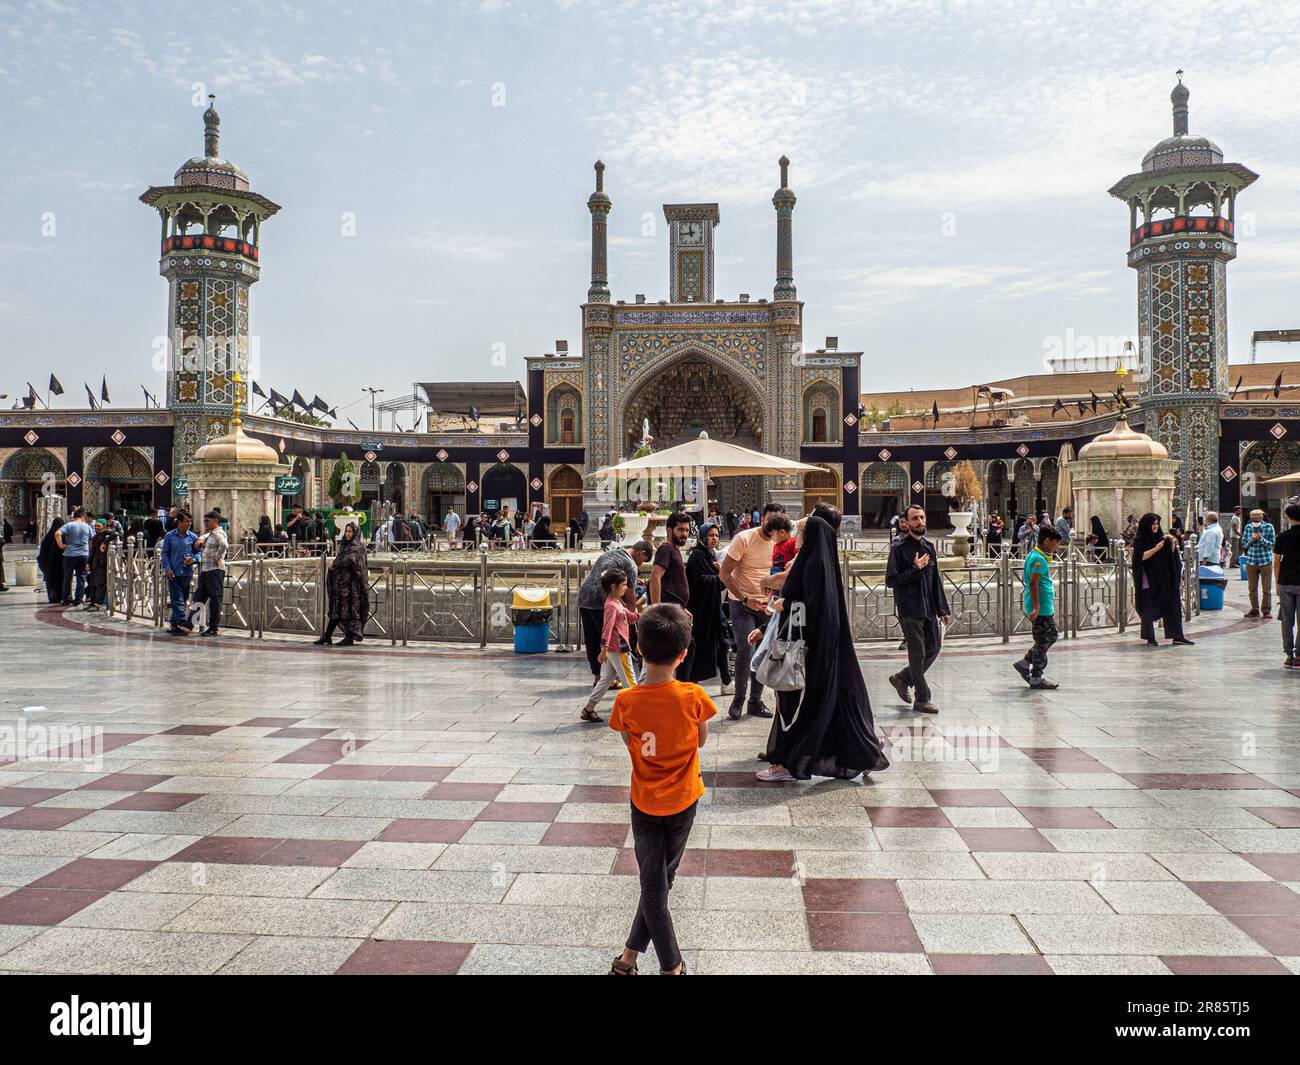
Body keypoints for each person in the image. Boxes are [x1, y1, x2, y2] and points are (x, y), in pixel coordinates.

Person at [607, 603, 715, 977]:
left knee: (656, 882)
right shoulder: (694, 697)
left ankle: (630, 956)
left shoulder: (625, 701)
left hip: (645, 804)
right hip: (684, 801)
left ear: (638, 648)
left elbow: (627, 740)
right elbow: (701, 741)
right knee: (660, 881)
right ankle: (672, 966)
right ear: (683, 654)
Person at [756, 507, 890, 781]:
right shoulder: (815, 561)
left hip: (806, 651)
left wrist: (784, 603)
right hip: (814, 648)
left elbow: (812, 606)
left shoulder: (814, 564)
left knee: (797, 709)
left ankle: (787, 762)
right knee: (825, 706)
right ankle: (865, 749)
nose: (798, 535)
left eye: (803, 530)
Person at [719, 510, 793, 720]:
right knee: (745, 647)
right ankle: (738, 699)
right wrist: (744, 598)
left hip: (766, 605)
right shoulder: (744, 538)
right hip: (741, 603)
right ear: (774, 531)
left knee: (764, 649)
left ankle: (755, 701)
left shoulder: (781, 542)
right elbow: (724, 574)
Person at [885, 505, 951, 714]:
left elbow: (935, 581)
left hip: (928, 608)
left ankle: (903, 678)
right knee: (917, 653)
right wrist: (915, 569)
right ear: (905, 522)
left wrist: (942, 608)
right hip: (910, 608)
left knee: (934, 647)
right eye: (915, 518)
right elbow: (891, 580)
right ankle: (922, 698)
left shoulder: (929, 547)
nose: (920, 522)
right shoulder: (899, 549)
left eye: (922, 517)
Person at [578, 541, 653, 685]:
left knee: (591, 639)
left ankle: (598, 677)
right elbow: (631, 598)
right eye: (643, 561)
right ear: (641, 553)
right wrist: (630, 621)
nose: (641, 565)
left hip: (584, 597)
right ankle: (609, 678)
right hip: (603, 603)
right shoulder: (631, 564)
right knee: (609, 640)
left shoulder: (611, 553)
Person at [580, 567, 641, 723]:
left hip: (615, 649)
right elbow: (607, 627)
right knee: (630, 682)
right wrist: (604, 649)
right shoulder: (612, 606)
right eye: (624, 585)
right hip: (618, 648)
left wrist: (644, 615)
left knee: (605, 681)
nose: (626, 587)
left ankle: (589, 709)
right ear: (614, 587)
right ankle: (637, 714)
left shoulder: (616, 602)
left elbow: (630, 616)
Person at [682, 523, 733, 696]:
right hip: (701, 611)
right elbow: (698, 582)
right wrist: (719, 575)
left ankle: (726, 681)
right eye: (711, 535)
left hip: (713, 609)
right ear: (703, 537)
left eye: (717, 535)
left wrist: (719, 576)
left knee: (724, 643)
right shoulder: (697, 556)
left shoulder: (710, 555)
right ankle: (693, 681)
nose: (714, 538)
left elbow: (717, 583)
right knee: (703, 647)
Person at [1132, 513, 1193, 647]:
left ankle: (1177, 635)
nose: (1155, 526)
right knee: (1148, 607)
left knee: (1172, 603)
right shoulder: (1140, 540)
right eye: (1152, 524)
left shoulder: (1161, 538)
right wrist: (1156, 548)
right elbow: (1139, 558)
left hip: (1162, 579)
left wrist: (1171, 544)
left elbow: (1170, 557)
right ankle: (1150, 637)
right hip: (1147, 579)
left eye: (1157, 524)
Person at [1013, 525, 1061, 689]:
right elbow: (1033, 583)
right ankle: (1036, 677)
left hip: (1043, 605)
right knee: (1044, 640)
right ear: (1047, 541)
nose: (1057, 547)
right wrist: (1036, 607)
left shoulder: (1036, 555)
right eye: (1056, 543)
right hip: (1040, 607)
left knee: (1049, 636)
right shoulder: (1039, 559)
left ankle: (1025, 663)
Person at [314, 521, 369, 646]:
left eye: (350, 531)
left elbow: (352, 560)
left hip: (352, 586)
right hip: (340, 584)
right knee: (337, 609)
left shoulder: (359, 546)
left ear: (355, 532)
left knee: (350, 610)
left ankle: (349, 637)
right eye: (347, 531)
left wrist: (335, 564)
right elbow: (340, 558)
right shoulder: (344, 544)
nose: (348, 534)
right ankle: (327, 636)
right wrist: (334, 564)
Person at [188, 511, 229, 636]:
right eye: (204, 520)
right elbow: (206, 536)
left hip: (215, 570)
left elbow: (224, 544)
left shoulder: (219, 534)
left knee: (215, 598)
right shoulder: (211, 534)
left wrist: (217, 557)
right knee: (199, 596)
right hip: (206, 570)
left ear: (215, 521)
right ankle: (190, 624)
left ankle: (213, 627)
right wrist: (201, 538)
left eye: (207, 520)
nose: (205, 523)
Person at [160, 511, 199, 634]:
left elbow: (199, 552)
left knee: (183, 598)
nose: (189, 524)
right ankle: (182, 622)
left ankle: (174, 623)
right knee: (177, 599)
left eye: (190, 521)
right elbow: (165, 553)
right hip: (173, 572)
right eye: (186, 521)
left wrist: (194, 559)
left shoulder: (193, 537)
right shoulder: (170, 536)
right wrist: (167, 568)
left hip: (186, 573)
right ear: (180, 522)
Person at [1274, 501, 1300, 670]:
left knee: (1286, 620)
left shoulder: (1282, 537)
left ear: (1288, 517)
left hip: (1285, 582)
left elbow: (1276, 563)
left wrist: (1276, 583)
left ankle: (1288, 655)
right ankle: (1299, 655)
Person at [649, 512, 690, 608]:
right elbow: (654, 577)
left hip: (675, 608)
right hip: (667, 609)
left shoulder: (674, 549)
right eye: (680, 530)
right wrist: (657, 609)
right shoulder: (665, 549)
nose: (684, 534)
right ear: (669, 531)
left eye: (687, 530)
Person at [1241, 508, 1276, 619]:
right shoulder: (1248, 527)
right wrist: (1252, 539)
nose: (1255, 519)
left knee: (1266, 588)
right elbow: (1244, 544)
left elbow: (1271, 544)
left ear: (1261, 517)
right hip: (1251, 560)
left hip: (1265, 560)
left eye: (1257, 517)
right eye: (1253, 517)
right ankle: (1255, 609)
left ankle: (1266, 610)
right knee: (1252, 588)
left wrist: (1260, 538)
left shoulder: (1268, 527)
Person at [56, 508, 93, 605]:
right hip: (84, 555)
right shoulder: (87, 527)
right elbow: (91, 540)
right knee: (81, 577)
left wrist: (61, 545)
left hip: (69, 555)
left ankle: (67, 598)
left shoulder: (69, 525)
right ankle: (79, 599)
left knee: (67, 577)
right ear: (83, 517)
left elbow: (57, 533)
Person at [37, 516, 65, 605]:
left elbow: (42, 554)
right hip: (61, 564)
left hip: (50, 565)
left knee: (51, 581)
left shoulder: (48, 536)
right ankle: (61, 596)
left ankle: (53, 597)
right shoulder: (63, 536)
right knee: (61, 580)